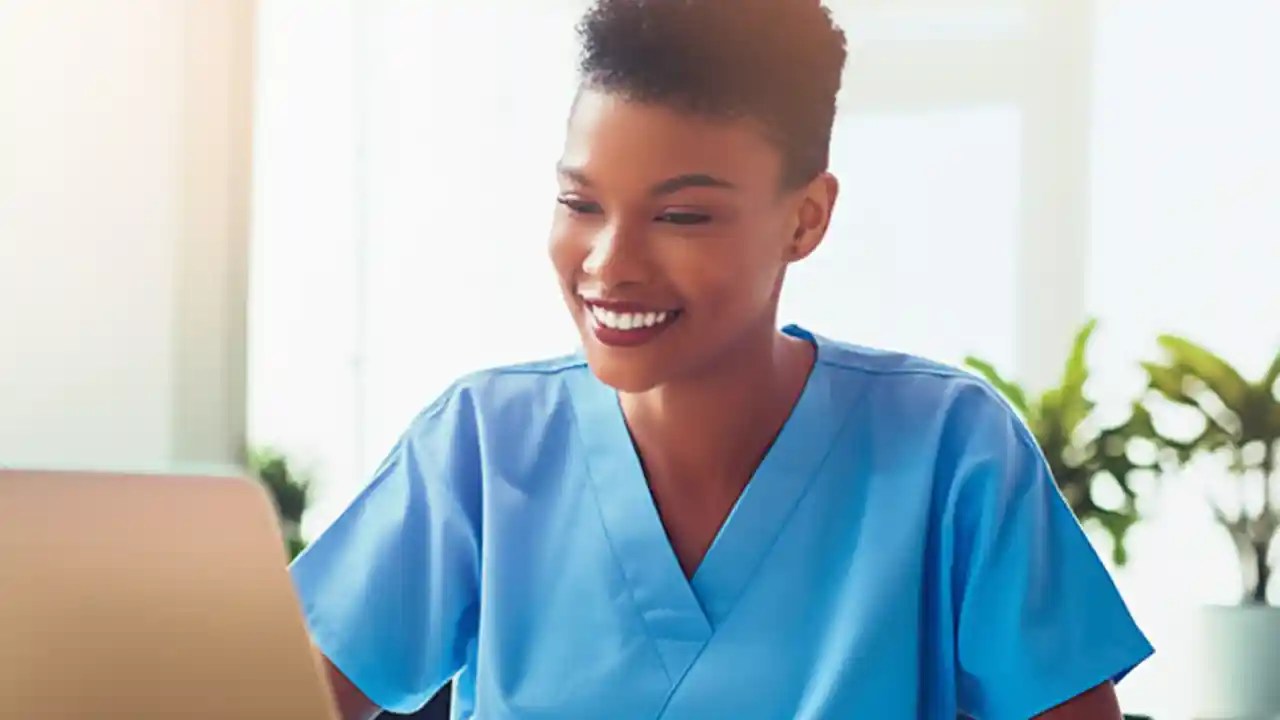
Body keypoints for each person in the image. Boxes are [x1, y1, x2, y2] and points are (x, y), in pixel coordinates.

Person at [289, 1, 1153, 718]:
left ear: (805, 219)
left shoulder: (952, 452)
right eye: (580, 203)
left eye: (682, 216)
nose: (610, 263)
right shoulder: (480, 449)